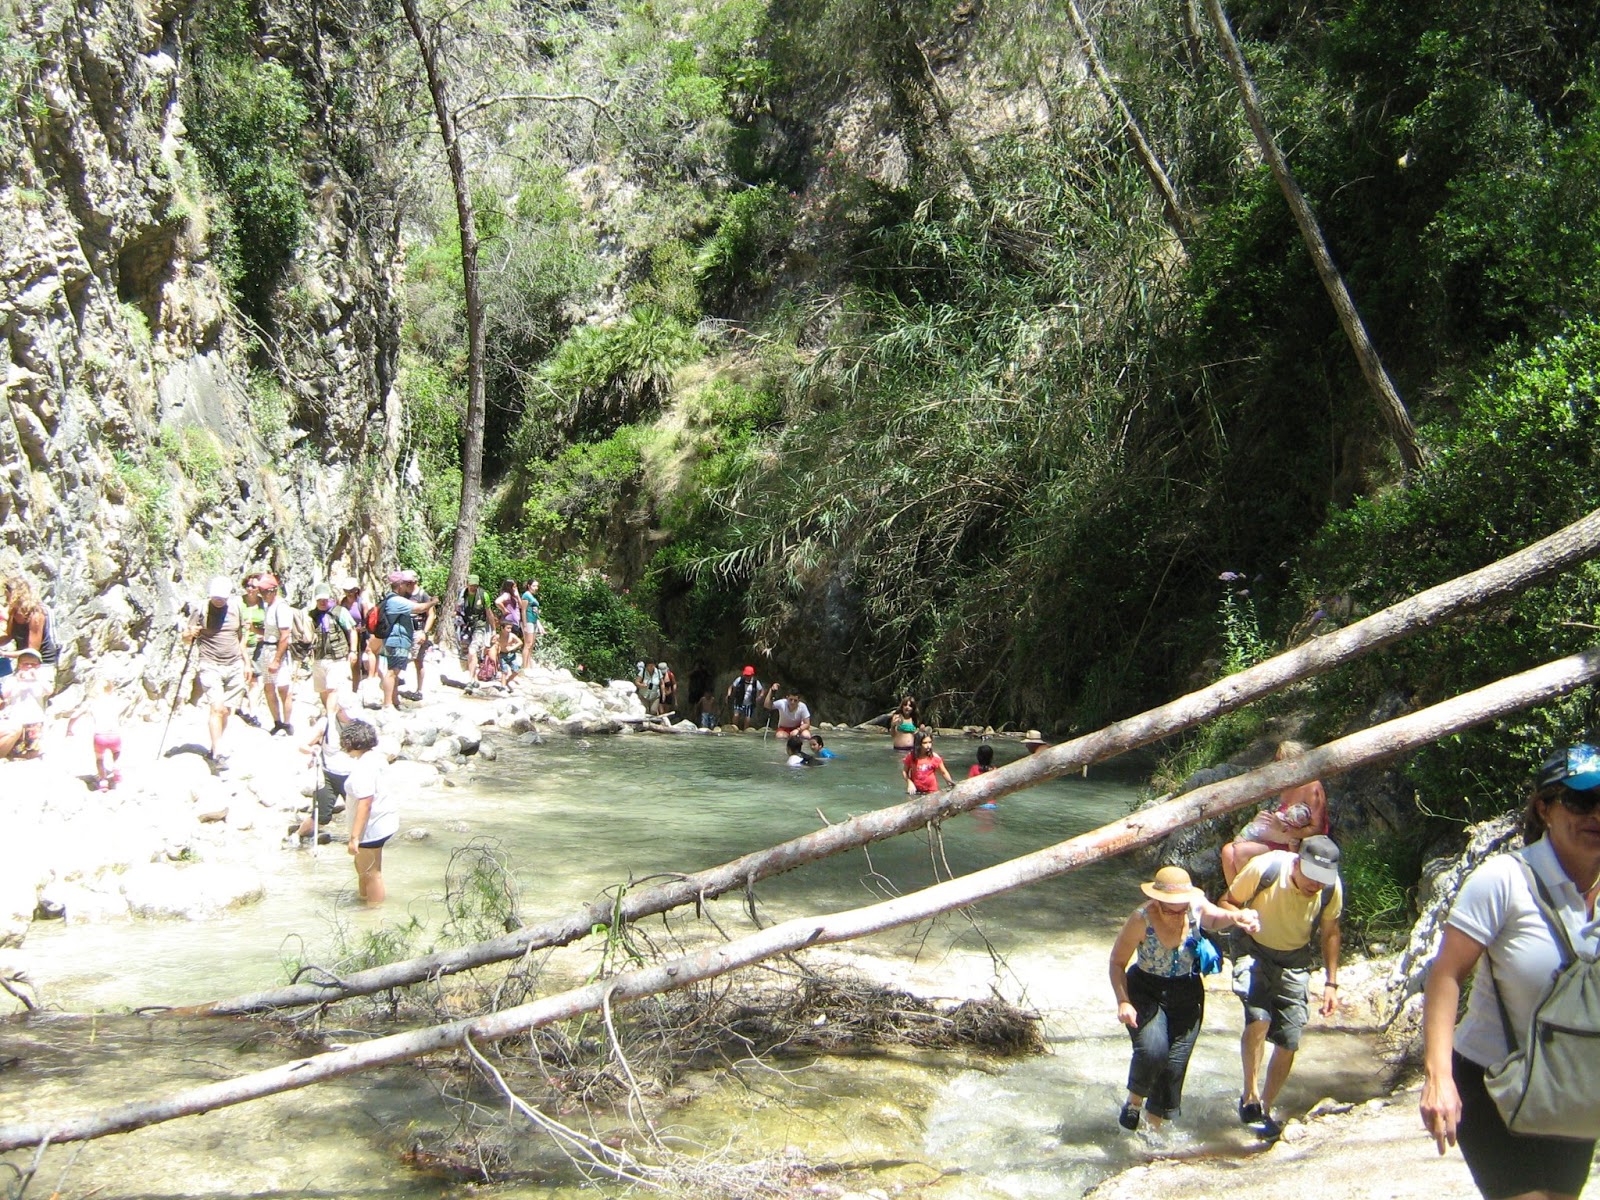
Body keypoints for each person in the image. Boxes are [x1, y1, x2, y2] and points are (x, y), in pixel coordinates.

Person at [1419, 744, 1600, 1200]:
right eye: (1580, 800)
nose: (1596, 814)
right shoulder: (1504, 879)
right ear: (1545, 807)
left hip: (1574, 1084)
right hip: (1494, 1082)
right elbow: (1446, 974)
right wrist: (1438, 1077)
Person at [1109, 865, 1261, 1132]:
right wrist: (1123, 1001)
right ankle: (1134, 1102)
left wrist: (1238, 917)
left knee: (1175, 1065)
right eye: (1169, 908)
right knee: (1154, 1049)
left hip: (1187, 991)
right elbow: (1117, 962)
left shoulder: (1195, 907)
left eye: (1181, 906)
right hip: (1145, 989)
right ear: (1156, 900)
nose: (1177, 912)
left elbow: (1215, 917)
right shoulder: (1140, 919)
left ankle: (1152, 1132)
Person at [1218, 835, 1344, 1140]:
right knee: (1259, 1017)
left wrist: (1331, 982)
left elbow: (1330, 932)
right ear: (1297, 862)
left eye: (1322, 879)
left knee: (1289, 1039)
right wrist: (1240, 916)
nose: (1316, 885)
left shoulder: (1331, 888)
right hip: (1253, 947)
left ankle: (1265, 1108)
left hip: (1295, 959)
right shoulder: (1266, 868)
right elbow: (1226, 902)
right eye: (1312, 876)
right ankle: (1250, 1095)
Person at [1221, 741, 1330, 884]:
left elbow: (1318, 829)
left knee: (1242, 851)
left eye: (1282, 762)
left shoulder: (1312, 787)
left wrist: (1285, 831)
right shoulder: (1286, 784)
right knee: (1227, 851)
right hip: (1278, 837)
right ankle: (1237, 900)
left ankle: (1251, 897)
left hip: (1296, 843)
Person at [183, 576, 249, 765]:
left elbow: (243, 636)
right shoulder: (201, 609)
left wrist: (247, 663)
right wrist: (190, 633)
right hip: (210, 663)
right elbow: (186, 637)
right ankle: (218, 753)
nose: (218, 600)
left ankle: (215, 745)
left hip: (234, 664)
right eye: (215, 597)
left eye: (222, 597)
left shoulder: (237, 608)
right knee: (216, 708)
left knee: (226, 711)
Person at [287, 691, 359, 846]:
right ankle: (298, 834)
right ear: (340, 709)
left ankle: (359, 841)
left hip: (353, 776)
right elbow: (303, 745)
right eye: (348, 713)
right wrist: (313, 751)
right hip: (329, 776)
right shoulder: (326, 723)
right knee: (321, 816)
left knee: (360, 812)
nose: (351, 717)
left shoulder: (360, 724)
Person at [340, 720, 394, 905]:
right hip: (384, 820)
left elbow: (365, 803)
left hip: (371, 827)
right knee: (364, 868)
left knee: (371, 872)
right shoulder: (376, 757)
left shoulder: (363, 767)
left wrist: (355, 837)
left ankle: (373, 914)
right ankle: (364, 900)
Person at [378, 571, 437, 709]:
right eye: (406, 584)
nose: (408, 586)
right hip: (396, 640)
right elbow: (419, 608)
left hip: (395, 640)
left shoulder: (391, 599)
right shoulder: (396, 601)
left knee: (396, 672)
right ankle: (387, 704)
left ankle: (395, 701)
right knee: (392, 672)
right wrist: (433, 601)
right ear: (400, 585)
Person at [66, 675, 127, 789]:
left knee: (99, 759)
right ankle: (117, 771)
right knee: (116, 754)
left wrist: (69, 728)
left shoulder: (91, 702)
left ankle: (103, 781)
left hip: (100, 736)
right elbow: (125, 706)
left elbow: (75, 715)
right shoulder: (116, 701)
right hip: (115, 735)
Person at [3, 578, 61, 696]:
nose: (5, 598)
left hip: (40, 663)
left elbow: (32, 652)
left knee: (33, 697)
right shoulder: (13, 612)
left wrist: (4, 654)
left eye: (7, 594)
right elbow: (9, 636)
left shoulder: (36, 615)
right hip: (23, 661)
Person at [255, 573, 296, 736]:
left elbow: (285, 635)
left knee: (283, 689)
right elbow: (270, 632)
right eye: (261, 591)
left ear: (274, 590)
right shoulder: (269, 607)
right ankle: (277, 722)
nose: (263, 595)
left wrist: (277, 660)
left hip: (278, 652)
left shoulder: (281, 607)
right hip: (267, 650)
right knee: (268, 688)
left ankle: (287, 723)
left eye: (265, 591)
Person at [307, 585, 358, 711]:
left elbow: (352, 631)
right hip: (319, 658)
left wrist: (353, 651)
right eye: (320, 600)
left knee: (332, 689)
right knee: (322, 690)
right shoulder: (311, 615)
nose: (323, 602)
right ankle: (333, 714)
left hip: (337, 658)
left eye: (325, 599)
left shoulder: (340, 612)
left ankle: (331, 719)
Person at [0, 648, 49, 759]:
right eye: (26, 664)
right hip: (16, 718)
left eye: (33, 664)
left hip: (35, 718)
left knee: (33, 747)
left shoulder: (41, 680)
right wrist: (17, 680)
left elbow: (49, 690)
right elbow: (5, 694)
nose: (29, 667)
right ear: (19, 665)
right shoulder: (12, 679)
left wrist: (38, 678)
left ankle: (31, 755)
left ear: (39, 666)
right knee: (16, 747)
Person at [457, 575, 496, 680]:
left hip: (479, 626)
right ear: (467, 584)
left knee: (472, 650)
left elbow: (489, 613)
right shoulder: (462, 594)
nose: (473, 588)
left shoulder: (484, 595)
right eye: (471, 585)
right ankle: (473, 677)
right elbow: (457, 609)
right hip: (465, 626)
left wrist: (494, 630)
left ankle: (470, 680)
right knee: (464, 652)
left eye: (475, 586)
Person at [405, 571, 438, 699]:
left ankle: (419, 689)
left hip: (418, 630)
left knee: (418, 660)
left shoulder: (423, 595)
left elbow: (431, 615)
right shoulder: (404, 595)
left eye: (409, 582)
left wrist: (424, 632)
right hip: (405, 630)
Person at [336, 577, 368, 691]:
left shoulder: (361, 603)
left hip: (358, 634)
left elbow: (367, 621)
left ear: (356, 590)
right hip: (344, 634)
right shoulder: (341, 602)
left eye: (351, 590)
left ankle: (355, 686)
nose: (348, 593)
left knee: (356, 660)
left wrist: (361, 629)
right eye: (346, 590)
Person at [727, 666, 763, 731]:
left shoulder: (756, 682)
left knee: (747, 718)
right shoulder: (739, 680)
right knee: (736, 715)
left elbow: (761, 690)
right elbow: (731, 687)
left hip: (749, 703)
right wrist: (729, 694)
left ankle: (745, 731)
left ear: (752, 675)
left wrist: (760, 697)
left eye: (748, 675)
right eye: (746, 675)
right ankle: (734, 729)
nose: (747, 677)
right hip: (739, 701)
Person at [520, 578, 542, 661]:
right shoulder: (526, 595)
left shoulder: (532, 596)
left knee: (532, 644)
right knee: (528, 643)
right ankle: (524, 666)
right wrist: (525, 624)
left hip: (534, 620)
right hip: (528, 621)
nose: (536, 588)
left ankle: (528, 664)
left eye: (537, 586)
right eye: (534, 586)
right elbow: (523, 610)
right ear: (529, 586)